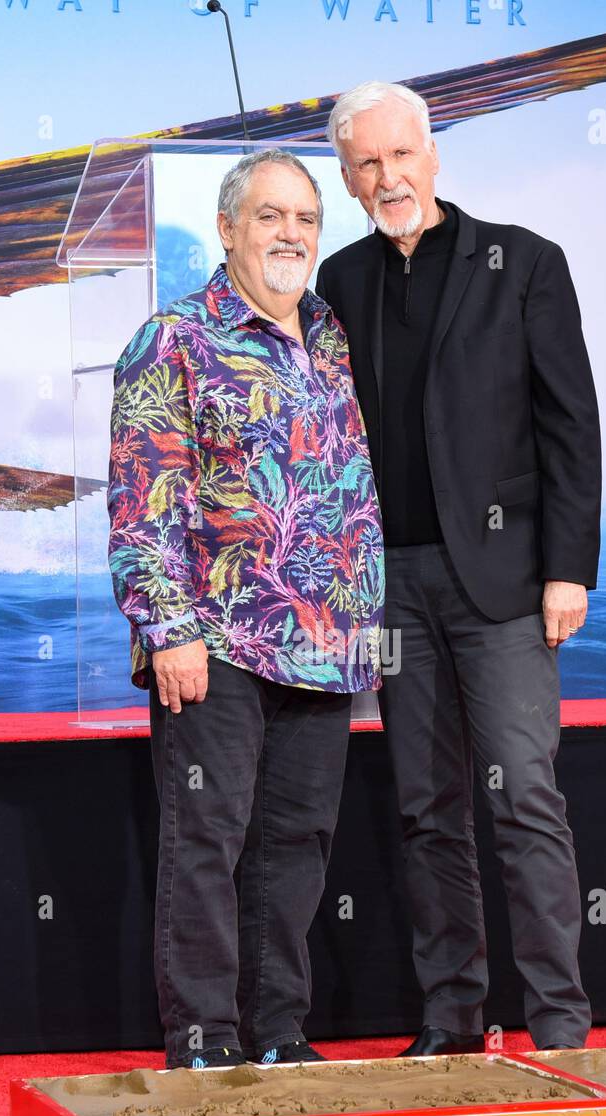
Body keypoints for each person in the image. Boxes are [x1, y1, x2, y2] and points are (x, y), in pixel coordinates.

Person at [316, 81, 601, 1055]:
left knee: (522, 795)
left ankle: (560, 1025)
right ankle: (451, 1016)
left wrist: (570, 569)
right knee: (426, 808)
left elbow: (570, 426)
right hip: (392, 588)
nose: (389, 177)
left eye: (402, 156)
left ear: (432, 155)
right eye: (368, 164)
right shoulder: (340, 284)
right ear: (349, 180)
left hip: (508, 586)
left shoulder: (525, 263)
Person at [107, 148, 384, 1069]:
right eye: (269, 216)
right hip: (215, 642)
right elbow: (144, 501)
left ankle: (275, 1036)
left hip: (324, 645)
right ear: (227, 229)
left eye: (305, 219)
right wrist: (168, 629)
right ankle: (204, 1045)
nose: (290, 234)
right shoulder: (172, 338)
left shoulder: (332, 338)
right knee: (207, 846)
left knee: (294, 851)